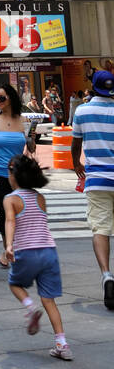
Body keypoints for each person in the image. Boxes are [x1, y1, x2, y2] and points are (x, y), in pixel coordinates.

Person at [2, 152, 72, 360]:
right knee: (49, 300)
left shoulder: (11, 199)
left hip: (27, 251)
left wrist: (8, 246)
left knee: (15, 284)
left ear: (13, 176)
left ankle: (30, 309)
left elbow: (10, 222)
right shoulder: (40, 197)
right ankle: (62, 343)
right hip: (49, 252)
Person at [71, 68, 114, 311]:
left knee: (101, 228)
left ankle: (107, 274)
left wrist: (76, 163)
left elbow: (76, 143)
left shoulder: (83, 111)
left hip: (97, 179)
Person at [0, 83, 34, 269]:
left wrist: (31, 144)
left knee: (19, 213)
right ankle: (8, 248)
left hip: (18, 175)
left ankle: (16, 248)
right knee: (4, 212)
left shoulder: (23, 121)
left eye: (2, 97)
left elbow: (29, 147)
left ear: (11, 98)